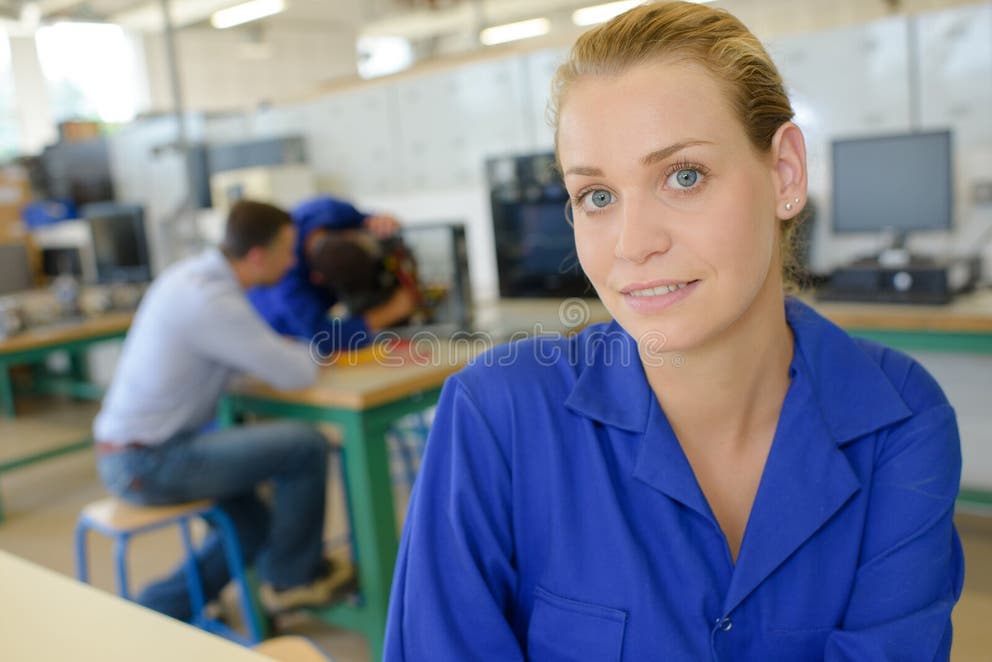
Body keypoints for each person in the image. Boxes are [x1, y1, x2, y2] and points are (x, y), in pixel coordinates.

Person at [384, 2, 964, 660]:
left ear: (785, 174)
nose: (633, 245)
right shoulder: (497, 418)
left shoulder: (900, 421)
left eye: (683, 177)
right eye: (596, 196)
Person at [93, 200, 352, 622]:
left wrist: (280, 353)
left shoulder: (194, 279)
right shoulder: (210, 299)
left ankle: (152, 613)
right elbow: (294, 373)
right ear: (256, 255)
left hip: (137, 450)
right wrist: (305, 352)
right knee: (304, 446)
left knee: (250, 529)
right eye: (287, 252)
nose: (291, 263)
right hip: (149, 460)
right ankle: (291, 580)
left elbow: (254, 357)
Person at [248, 195, 418, 353]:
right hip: (277, 335)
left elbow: (367, 219)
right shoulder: (286, 282)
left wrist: (378, 220)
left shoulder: (330, 211)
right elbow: (320, 338)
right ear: (318, 279)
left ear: (350, 234)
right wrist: (389, 313)